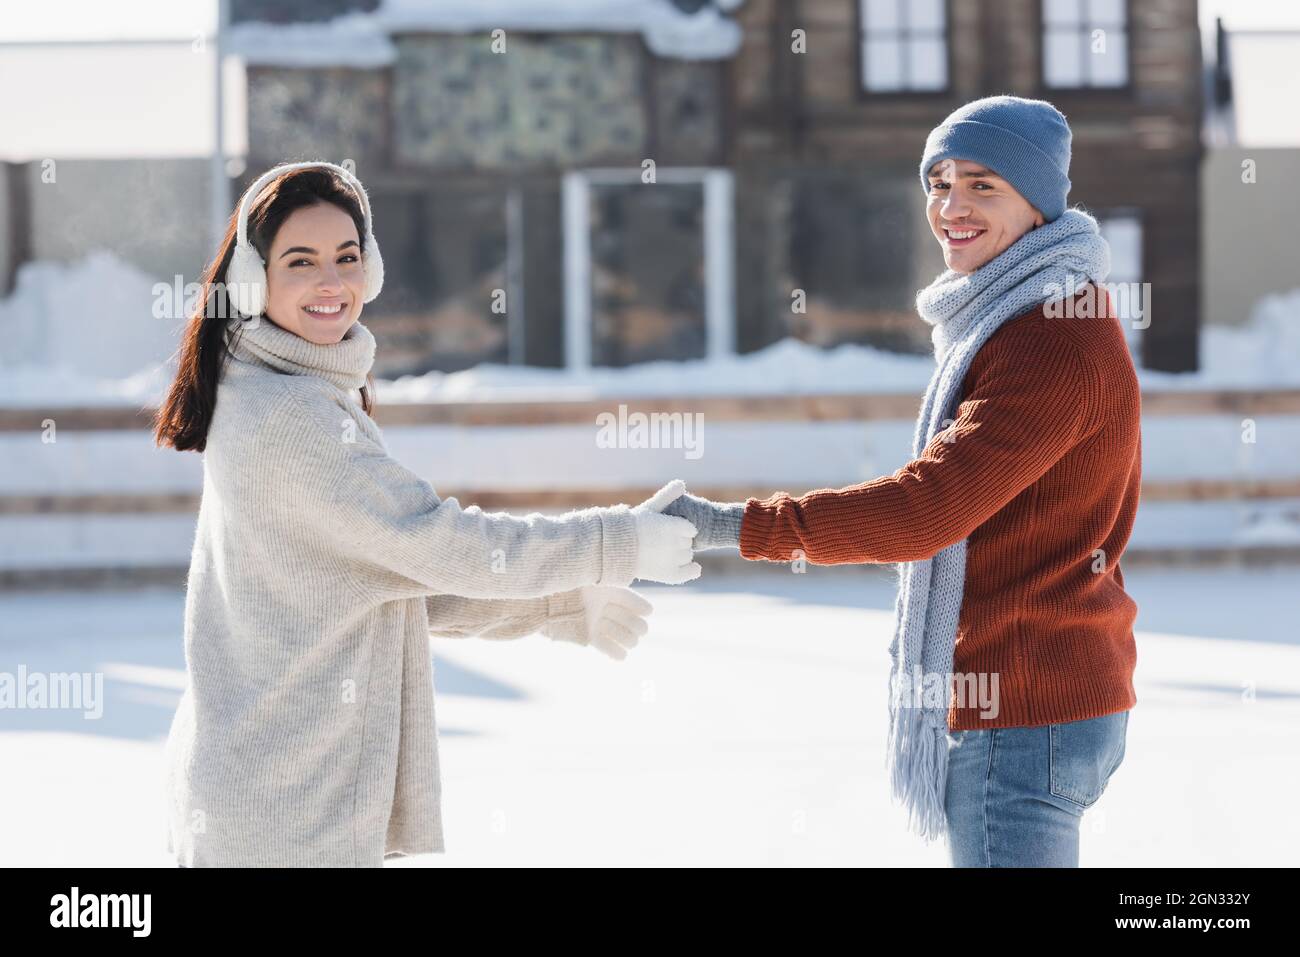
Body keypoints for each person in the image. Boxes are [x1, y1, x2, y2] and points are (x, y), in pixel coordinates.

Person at [153, 160, 700, 867]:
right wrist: (618, 543)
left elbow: (387, 576)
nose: (332, 282)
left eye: (348, 257)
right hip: (285, 818)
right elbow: (445, 545)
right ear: (253, 282)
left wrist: (565, 603)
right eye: (301, 261)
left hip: (270, 801)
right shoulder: (289, 419)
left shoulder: (275, 388)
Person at [664, 96, 1138, 867]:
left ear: (1039, 202)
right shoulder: (1023, 316)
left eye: (983, 185)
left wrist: (732, 526)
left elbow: (928, 507)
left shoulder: (1051, 337)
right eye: (939, 182)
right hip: (1039, 699)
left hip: (1024, 710)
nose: (951, 206)